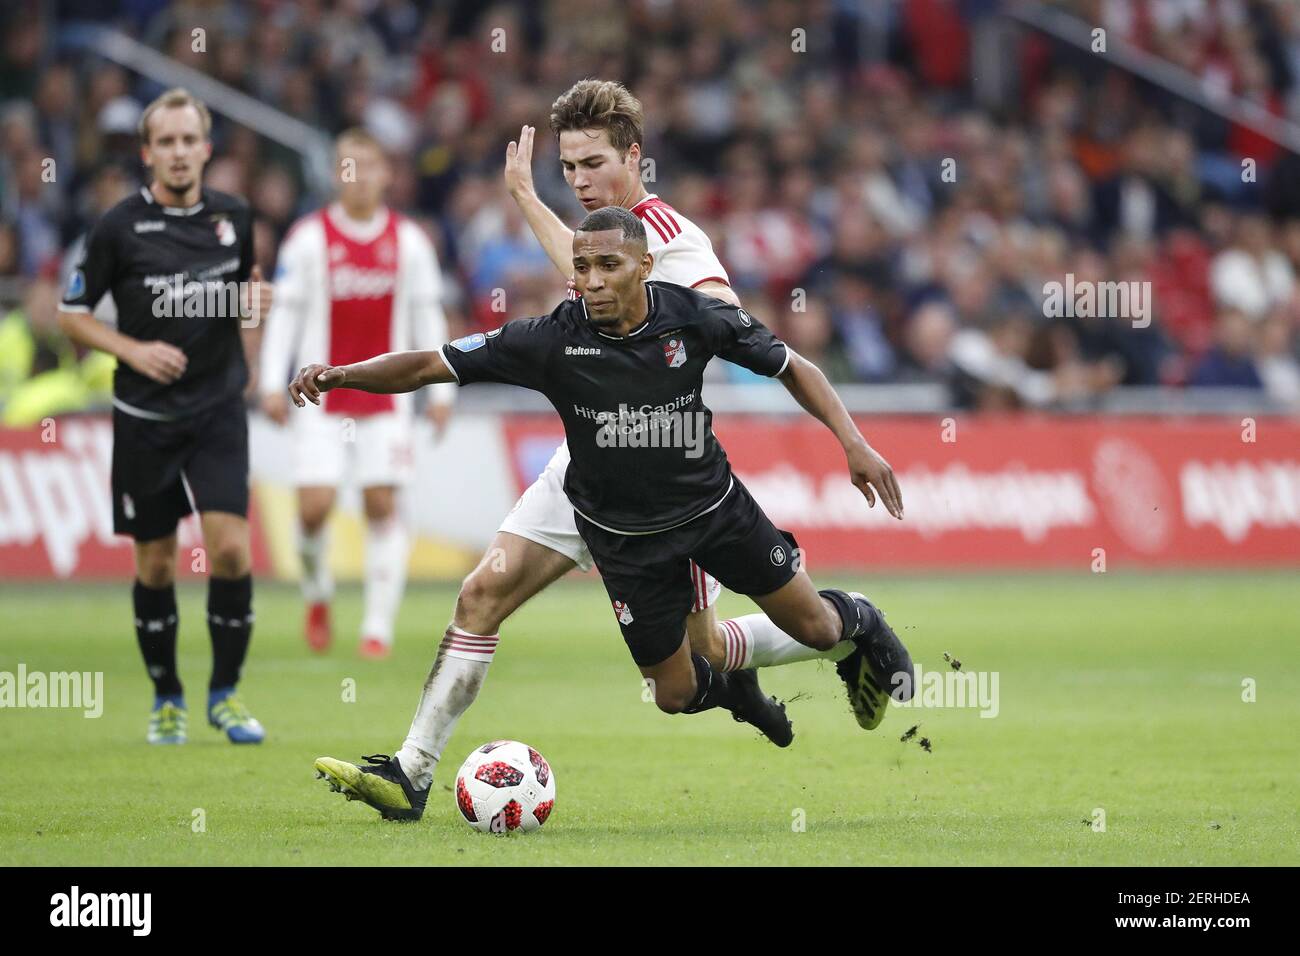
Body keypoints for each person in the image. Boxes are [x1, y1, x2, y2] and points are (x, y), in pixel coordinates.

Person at [345, 81, 895, 809]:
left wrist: (840, 433)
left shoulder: (671, 236)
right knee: (481, 594)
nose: (578, 179)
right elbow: (581, 270)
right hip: (584, 465)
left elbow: (723, 319)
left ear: (635, 157)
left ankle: (841, 628)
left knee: (695, 665)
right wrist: (527, 201)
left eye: (592, 162)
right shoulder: (601, 245)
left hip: (669, 475)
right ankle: (410, 773)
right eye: (567, 166)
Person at [57, 88, 269, 745]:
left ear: (206, 149)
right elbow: (71, 314)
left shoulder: (235, 217)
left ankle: (225, 694)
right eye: (166, 143)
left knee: (231, 549)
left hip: (216, 411)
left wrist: (253, 353)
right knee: (155, 563)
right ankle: (167, 696)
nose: (179, 153)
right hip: (144, 416)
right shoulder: (119, 226)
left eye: (189, 141)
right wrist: (133, 349)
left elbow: (247, 295)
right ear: (148, 153)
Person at [258, 128, 455, 659]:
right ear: (335, 173)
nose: (359, 175)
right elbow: (286, 313)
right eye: (348, 165)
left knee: (381, 503)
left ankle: (376, 628)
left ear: (384, 173)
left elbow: (426, 314)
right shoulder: (307, 238)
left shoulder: (408, 240)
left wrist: (441, 393)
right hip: (318, 398)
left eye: (368, 165)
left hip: (387, 398)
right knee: (314, 510)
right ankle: (318, 594)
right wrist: (270, 379)